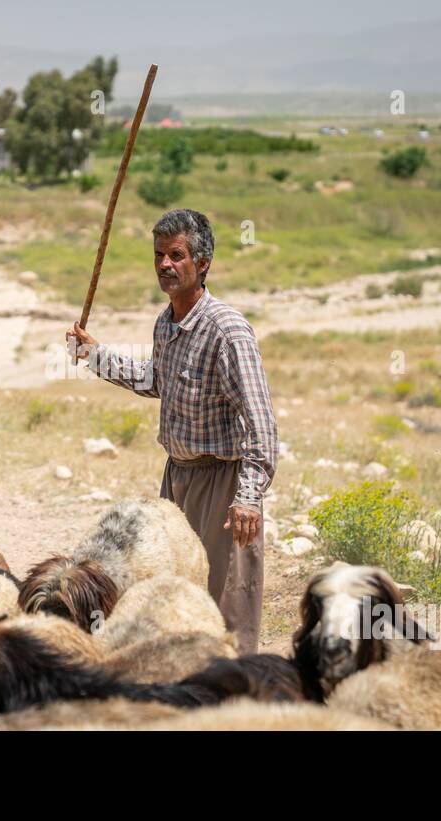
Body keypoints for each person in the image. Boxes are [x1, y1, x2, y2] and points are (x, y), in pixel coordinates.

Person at [66, 208, 278, 654]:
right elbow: (155, 381)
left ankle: (233, 697)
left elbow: (260, 421)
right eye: (159, 255)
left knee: (226, 606)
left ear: (202, 264)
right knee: (178, 596)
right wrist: (95, 354)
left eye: (176, 255)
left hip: (223, 484)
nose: (165, 264)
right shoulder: (166, 323)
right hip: (176, 479)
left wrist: (249, 496)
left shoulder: (228, 330)